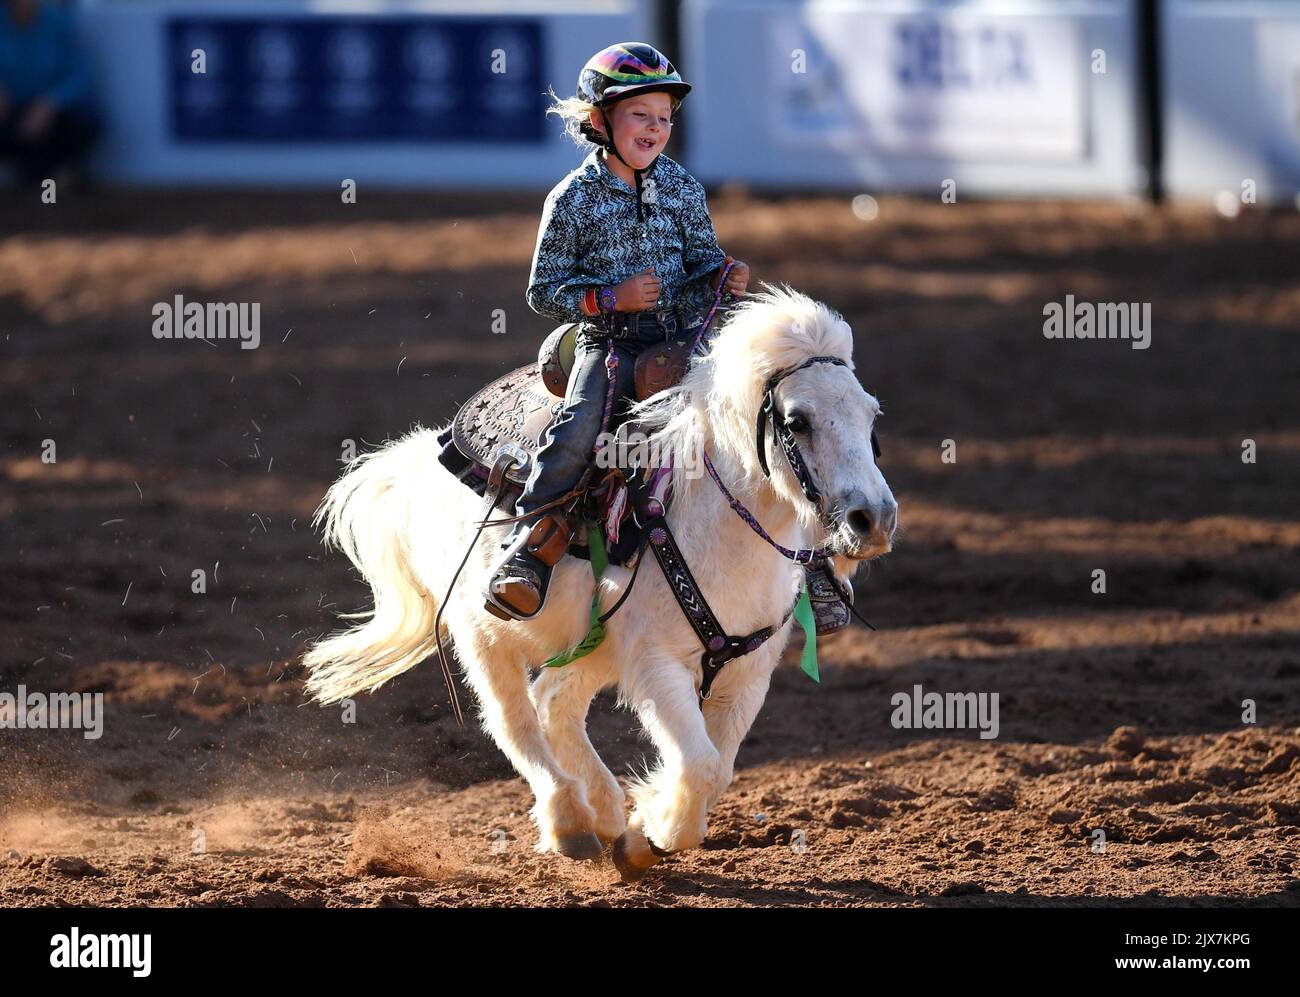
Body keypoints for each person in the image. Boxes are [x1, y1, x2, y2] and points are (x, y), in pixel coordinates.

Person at [482, 41, 750, 621]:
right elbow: (542, 292)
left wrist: (723, 275)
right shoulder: (571, 200)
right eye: (641, 115)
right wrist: (611, 299)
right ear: (599, 121)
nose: (656, 128)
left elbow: (703, 262)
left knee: (761, 414)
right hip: (610, 346)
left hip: (687, 343)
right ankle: (525, 553)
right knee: (580, 430)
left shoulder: (684, 188)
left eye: (665, 118)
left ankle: (812, 563)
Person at [0, 0, 99, 185]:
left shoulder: (59, 23)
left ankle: (52, 172)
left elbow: (82, 73)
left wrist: (51, 102)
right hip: (10, 111)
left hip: (50, 113)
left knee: (85, 120)